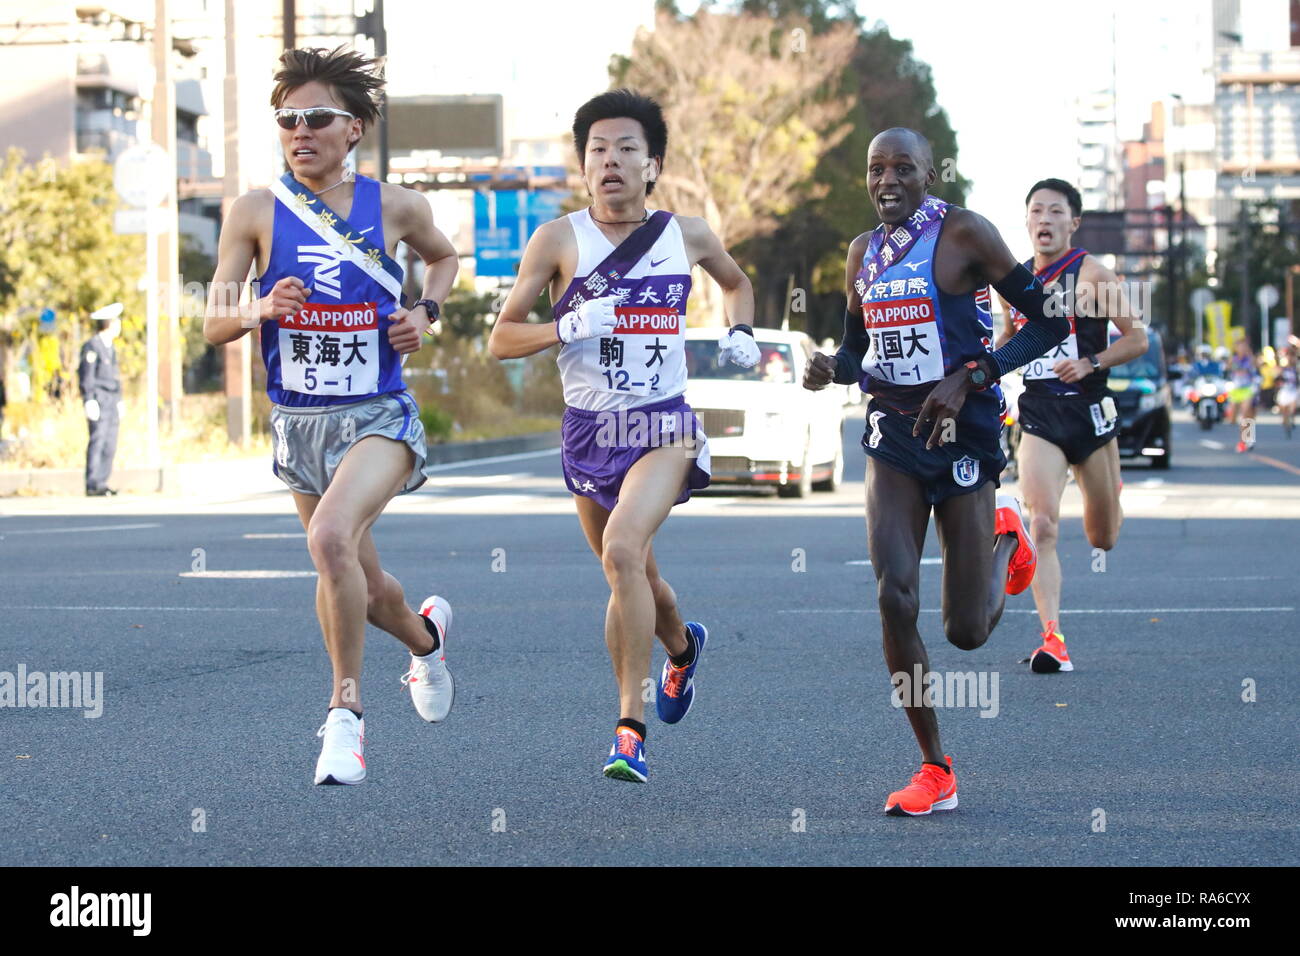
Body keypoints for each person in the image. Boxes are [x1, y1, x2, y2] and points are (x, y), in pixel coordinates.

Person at [203, 46, 460, 786]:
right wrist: (258, 307)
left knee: (330, 537)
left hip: (379, 414)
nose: (300, 131)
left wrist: (426, 312)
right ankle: (427, 642)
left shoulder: (399, 206)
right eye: (287, 120)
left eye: (317, 118)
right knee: (365, 586)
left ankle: (344, 717)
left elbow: (443, 260)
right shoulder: (253, 213)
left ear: (355, 128)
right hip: (300, 423)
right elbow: (214, 324)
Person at [488, 89, 759, 783]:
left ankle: (628, 730)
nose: (610, 160)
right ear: (584, 167)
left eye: (626, 149)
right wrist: (568, 325)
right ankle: (681, 647)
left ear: (653, 165)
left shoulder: (686, 234)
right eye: (597, 150)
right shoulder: (556, 240)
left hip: (662, 424)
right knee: (634, 574)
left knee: (622, 549)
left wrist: (739, 334)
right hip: (590, 429)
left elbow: (736, 282)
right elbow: (501, 338)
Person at [803, 127, 1070, 816]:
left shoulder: (967, 235)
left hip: (963, 432)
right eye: (875, 170)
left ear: (929, 172)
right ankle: (935, 767)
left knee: (966, 631)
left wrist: (973, 374)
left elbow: (1048, 322)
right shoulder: (862, 252)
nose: (886, 182)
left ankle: (1008, 537)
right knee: (894, 596)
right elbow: (857, 345)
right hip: (893, 432)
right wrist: (832, 367)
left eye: (903, 168)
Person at [995, 179, 1147, 674]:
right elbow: (1004, 342)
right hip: (1040, 414)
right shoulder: (1014, 281)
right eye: (1036, 210)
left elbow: (1138, 339)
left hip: (1089, 411)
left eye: (1055, 211)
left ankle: (1110, 489)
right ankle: (1052, 638)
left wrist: (1093, 362)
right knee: (1042, 524)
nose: (1044, 219)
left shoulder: (1095, 275)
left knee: (1102, 537)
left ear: (1072, 223)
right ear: (1027, 221)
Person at [78, 302, 124, 497]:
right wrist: (89, 399)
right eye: (116, 322)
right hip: (99, 398)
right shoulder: (92, 346)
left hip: (112, 399)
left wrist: (120, 399)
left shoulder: (110, 347)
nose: (119, 325)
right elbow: (86, 375)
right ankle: (92, 482)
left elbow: (115, 376)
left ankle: (102, 481)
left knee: (110, 442)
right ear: (109, 323)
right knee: (97, 440)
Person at [1227, 337, 1258, 452]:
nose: (1242, 348)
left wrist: (1249, 352)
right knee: (1233, 419)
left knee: (1246, 414)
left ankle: (1245, 440)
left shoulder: (1249, 359)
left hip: (1247, 389)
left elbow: (1256, 364)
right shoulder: (1233, 359)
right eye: (1240, 346)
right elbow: (1227, 369)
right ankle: (1247, 438)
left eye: (1244, 346)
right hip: (1236, 389)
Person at [1276, 344, 1298, 439]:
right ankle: (1286, 424)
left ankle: (1292, 419)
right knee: (1284, 409)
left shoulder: (1296, 369)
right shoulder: (1282, 369)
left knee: (1292, 408)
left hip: (1294, 390)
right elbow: (1277, 379)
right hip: (1285, 390)